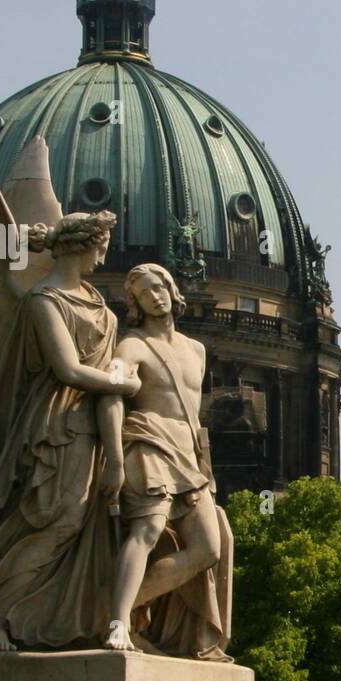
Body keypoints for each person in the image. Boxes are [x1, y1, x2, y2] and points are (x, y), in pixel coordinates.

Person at [0, 212, 139, 656]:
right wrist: (125, 383)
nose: (105, 253)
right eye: (103, 244)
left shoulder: (93, 298)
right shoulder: (44, 300)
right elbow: (68, 370)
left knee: (86, 528)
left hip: (98, 426)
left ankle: (56, 620)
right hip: (56, 426)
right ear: (83, 245)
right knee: (54, 520)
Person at [99, 263, 233, 660]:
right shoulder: (133, 345)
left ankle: (123, 605)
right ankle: (117, 622)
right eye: (143, 292)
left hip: (188, 453)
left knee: (210, 548)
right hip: (149, 440)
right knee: (149, 527)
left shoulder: (197, 350)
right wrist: (114, 461)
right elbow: (113, 386)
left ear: (172, 290)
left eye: (158, 286)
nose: (154, 295)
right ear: (135, 304)